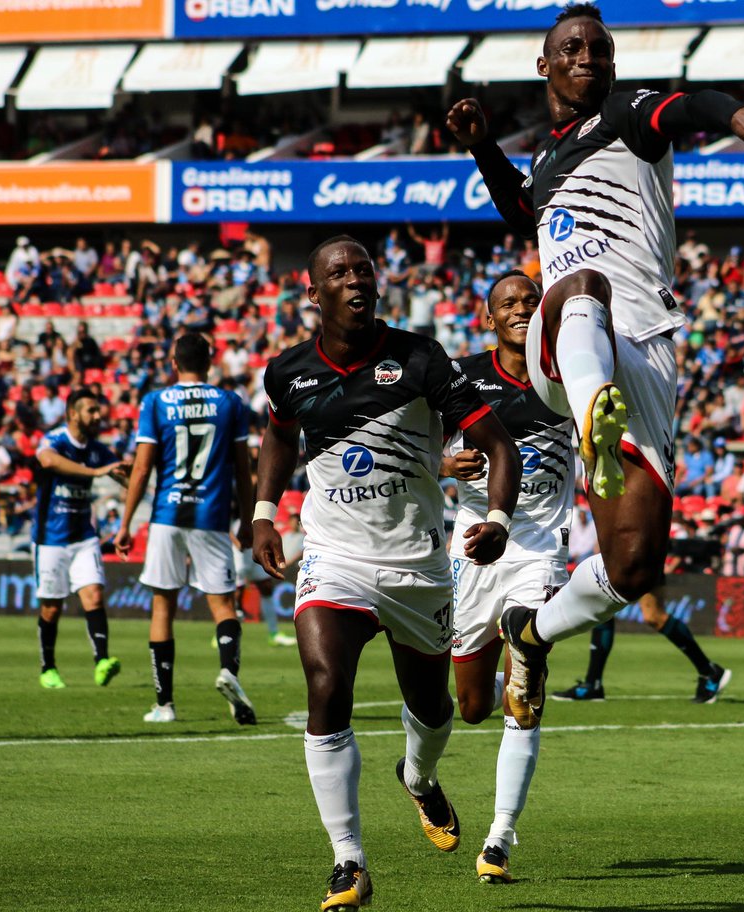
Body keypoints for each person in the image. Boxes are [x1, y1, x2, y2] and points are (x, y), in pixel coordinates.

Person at [446, 2, 744, 728]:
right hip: (568, 346)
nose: (587, 57)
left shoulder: (627, 114)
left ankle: (532, 633)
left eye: (598, 50)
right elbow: (525, 214)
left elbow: (687, 104)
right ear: (544, 65)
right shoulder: (551, 153)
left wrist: (728, 116)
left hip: (645, 349)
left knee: (633, 567)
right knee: (582, 285)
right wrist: (484, 148)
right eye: (572, 48)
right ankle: (589, 416)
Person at [251, 236, 520, 910]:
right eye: (339, 273)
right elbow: (281, 436)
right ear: (313, 293)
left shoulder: (421, 358)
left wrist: (500, 519)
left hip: (417, 568)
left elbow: (496, 442)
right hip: (334, 559)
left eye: (363, 269)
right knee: (325, 683)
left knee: (432, 711)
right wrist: (262, 510)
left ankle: (419, 778)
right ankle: (348, 862)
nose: (355, 280)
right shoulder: (288, 373)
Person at [438, 270, 573, 883]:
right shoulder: (461, 377)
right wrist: (442, 462)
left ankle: (498, 840)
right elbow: (415, 445)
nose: (521, 309)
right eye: (508, 304)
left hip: (540, 552)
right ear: (488, 319)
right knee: (470, 708)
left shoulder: (573, 371)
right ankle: (504, 662)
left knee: (526, 693)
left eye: (530, 301)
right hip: (474, 553)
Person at [115, 333, 257, 726]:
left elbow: (142, 468)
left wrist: (126, 524)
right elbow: (243, 471)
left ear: (174, 364)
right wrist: (247, 521)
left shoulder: (156, 402)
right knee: (223, 605)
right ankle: (229, 672)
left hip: (166, 514)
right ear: (210, 364)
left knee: (163, 606)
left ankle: (164, 705)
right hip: (210, 518)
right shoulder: (230, 403)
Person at [33, 389, 130, 689]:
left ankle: (102, 661)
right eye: (91, 410)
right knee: (52, 607)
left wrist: (133, 477)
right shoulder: (55, 440)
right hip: (51, 536)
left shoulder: (98, 449)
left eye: (98, 410)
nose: (98, 416)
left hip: (84, 536)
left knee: (94, 595)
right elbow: (47, 461)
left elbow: (122, 476)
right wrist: (94, 472)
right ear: (73, 414)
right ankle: (48, 667)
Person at [552, 585, 730, 704]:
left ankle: (709, 671)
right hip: (621, 547)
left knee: (653, 616)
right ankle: (593, 685)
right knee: (602, 603)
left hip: (642, 545)